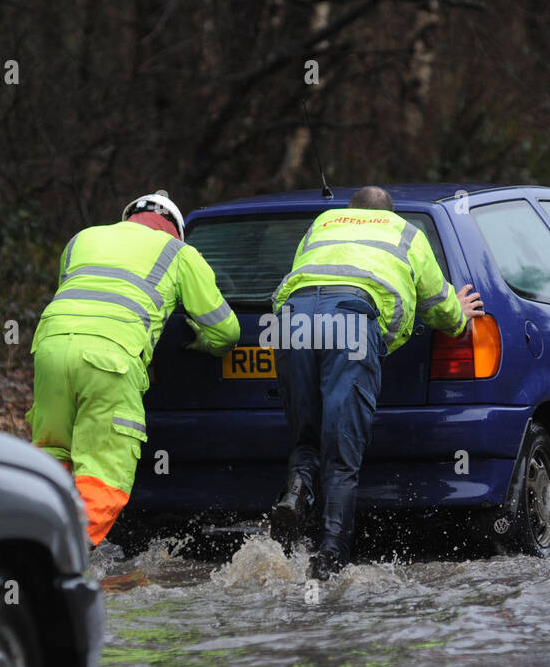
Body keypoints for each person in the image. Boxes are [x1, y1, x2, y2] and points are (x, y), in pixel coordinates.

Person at [269, 186, 484, 579]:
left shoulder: (322, 223)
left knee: (306, 437)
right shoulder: (406, 233)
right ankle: (331, 557)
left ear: (350, 211)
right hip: (350, 319)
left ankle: (297, 491)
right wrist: (459, 313)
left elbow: (303, 273)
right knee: (341, 449)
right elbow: (438, 305)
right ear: (390, 212)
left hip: (289, 320)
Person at [28, 191, 239, 546]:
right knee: (103, 472)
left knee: (52, 456)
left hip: (49, 349)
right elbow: (227, 331)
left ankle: (23, 538)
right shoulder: (178, 253)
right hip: (110, 359)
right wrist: (201, 342)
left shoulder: (81, 238)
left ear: (129, 216)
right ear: (175, 230)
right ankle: (55, 558)